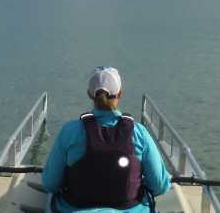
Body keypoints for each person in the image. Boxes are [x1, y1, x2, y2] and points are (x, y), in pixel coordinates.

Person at [42, 67, 171, 213]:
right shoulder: (139, 133)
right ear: (120, 94)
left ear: (90, 94)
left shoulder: (70, 132)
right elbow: (159, 185)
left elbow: (50, 183)